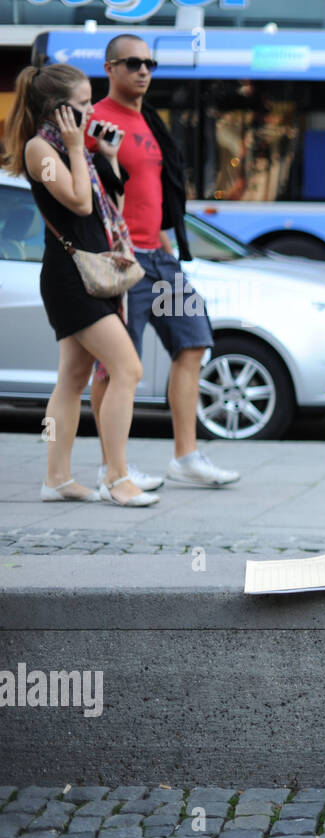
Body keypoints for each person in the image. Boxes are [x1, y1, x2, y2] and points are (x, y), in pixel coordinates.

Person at [87, 33, 240, 490]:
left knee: (193, 342)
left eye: (150, 63)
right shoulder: (96, 120)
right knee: (114, 364)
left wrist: (166, 242)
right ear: (110, 67)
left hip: (159, 257)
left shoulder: (151, 121)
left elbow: (157, 192)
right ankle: (111, 466)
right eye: (132, 62)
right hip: (121, 261)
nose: (143, 71)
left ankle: (186, 456)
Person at [2, 63, 157, 507]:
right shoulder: (39, 149)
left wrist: (104, 155)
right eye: (84, 103)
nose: (92, 110)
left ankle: (57, 478)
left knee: (71, 378)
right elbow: (80, 203)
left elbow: (112, 205)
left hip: (95, 272)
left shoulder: (77, 149)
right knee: (128, 370)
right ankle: (116, 476)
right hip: (70, 279)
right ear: (58, 108)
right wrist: (75, 146)